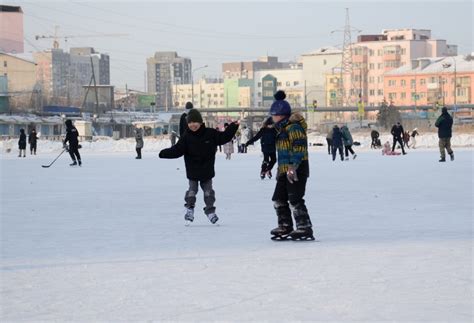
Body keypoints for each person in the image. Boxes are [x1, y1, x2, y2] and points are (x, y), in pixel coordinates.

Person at [159, 109, 239, 225]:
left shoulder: (210, 134)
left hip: (206, 170)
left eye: (195, 122)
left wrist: (232, 127)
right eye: (190, 123)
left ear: (201, 122)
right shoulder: (186, 137)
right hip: (193, 171)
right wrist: (164, 153)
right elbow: (177, 150)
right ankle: (190, 209)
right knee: (192, 191)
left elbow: (224, 137)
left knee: (209, 193)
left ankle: (210, 211)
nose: (193, 125)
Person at [268, 91, 313, 241]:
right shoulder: (280, 129)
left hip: (297, 168)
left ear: (280, 115)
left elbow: (299, 148)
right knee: (278, 198)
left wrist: (293, 166)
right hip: (284, 169)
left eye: (273, 115)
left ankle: (304, 227)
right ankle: (285, 225)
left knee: (295, 198)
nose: (272, 118)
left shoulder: (294, 128)